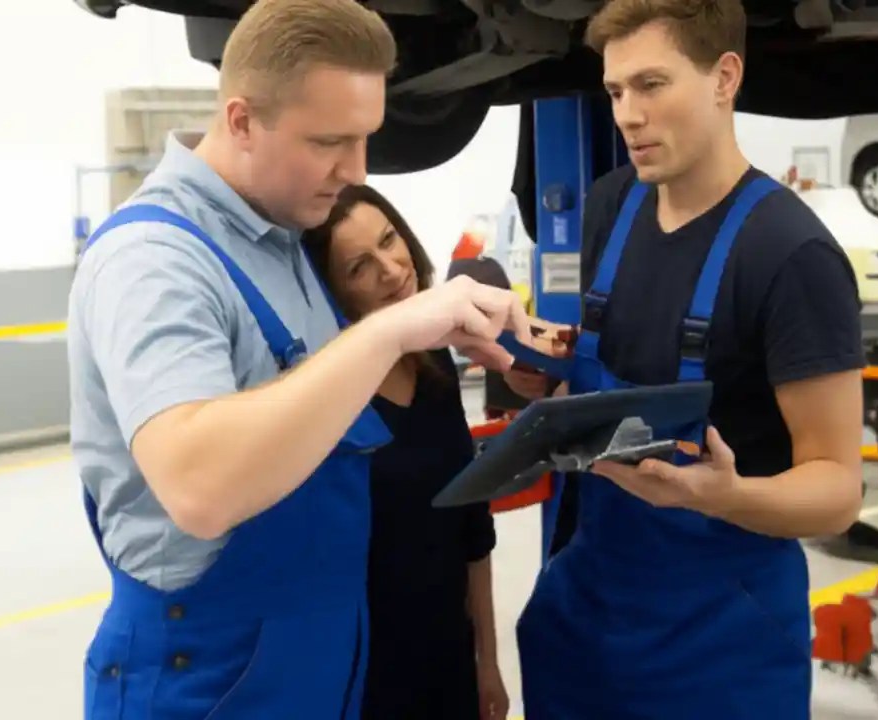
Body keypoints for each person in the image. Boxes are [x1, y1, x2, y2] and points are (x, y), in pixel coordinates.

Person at [65, 1, 532, 718]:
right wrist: (384, 334)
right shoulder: (153, 261)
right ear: (243, 119)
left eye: (367, 139)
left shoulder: (284, 239)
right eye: (329, 142)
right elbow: (199, 486)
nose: (356, 170)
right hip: (210, 684)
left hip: (319, 670)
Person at [510, 0, 866, 718]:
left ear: (724, 77)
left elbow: (837, 489)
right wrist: (538, 367)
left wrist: (724, 496)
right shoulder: (613, 205)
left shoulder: (791, 256)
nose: (628, 115)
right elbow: (611, 367)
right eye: (615, 92)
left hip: (719, 643)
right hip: (589, 617)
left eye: (651, 85)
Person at [302, 184, 510, 720]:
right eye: (359, 267)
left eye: (390, 240)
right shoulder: (328, 388)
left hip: (447, 654)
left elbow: (471, 528)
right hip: (365, 672)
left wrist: (487, 659)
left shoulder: (435, 360)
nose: (392, 269)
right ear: (333, 292)